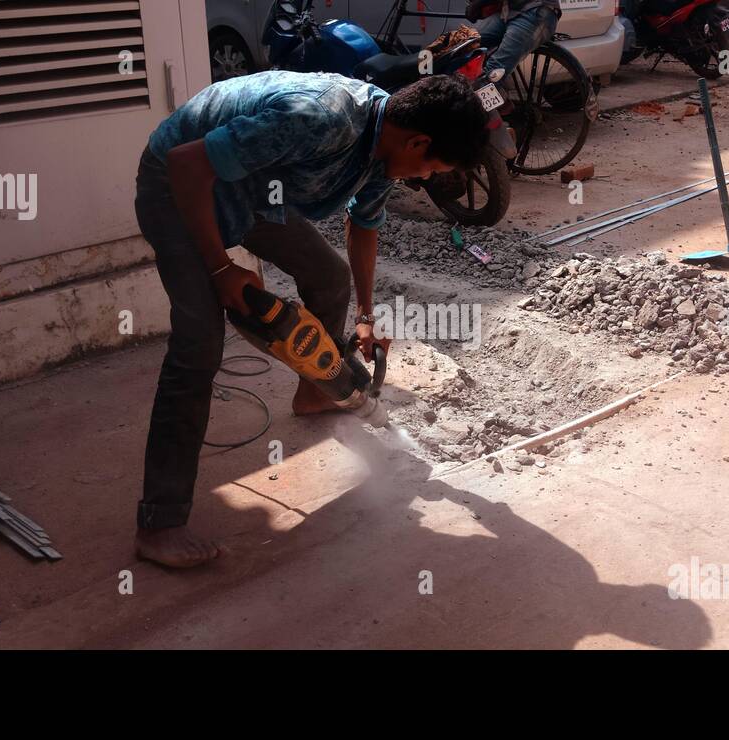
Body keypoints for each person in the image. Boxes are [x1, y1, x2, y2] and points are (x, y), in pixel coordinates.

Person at [132, 70, 489, 567]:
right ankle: (160, 523)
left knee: (329, 277)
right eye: (432, 167)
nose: (426, 178)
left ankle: (315, 391)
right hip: (178, 187)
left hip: (252, 191)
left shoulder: (386, 148)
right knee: (199, 345)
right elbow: (186, 163)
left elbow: (362, 226)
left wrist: (365, 315)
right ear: (419, 140)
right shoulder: (322, 119)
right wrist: (221, 268)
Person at [465, 0, 563, 82]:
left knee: (493, 71)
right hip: (509, 12)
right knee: (465, 45)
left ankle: (473, 102)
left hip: (535, 10)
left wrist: (478, 4)